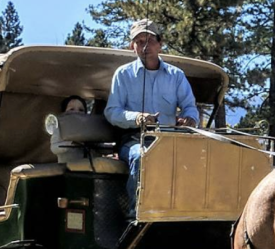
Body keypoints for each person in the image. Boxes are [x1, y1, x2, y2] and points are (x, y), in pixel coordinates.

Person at [105, 19, 199, 220]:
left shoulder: (176, 76)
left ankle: (190, 213)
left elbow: (190, 107)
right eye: (138, 42)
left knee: (199, 159)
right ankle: (137, 214)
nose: (144, 46)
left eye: (148, 40)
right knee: (143, 157)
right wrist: (137, 117)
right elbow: (112, 112)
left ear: (159, 43)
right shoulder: (123, 75)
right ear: (132, 47)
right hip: (133, 139)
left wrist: (189, 119)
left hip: (171, 139)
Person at [45, 96, 89, 163]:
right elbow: (54, 148)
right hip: (67, 165)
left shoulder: (89, 128)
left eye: (81, 110)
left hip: (88, 165)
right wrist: (70, 143)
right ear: (64, 112)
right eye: (71, 109)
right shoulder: (59, 128)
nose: (76, 112)